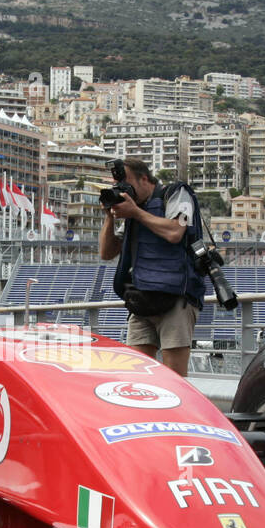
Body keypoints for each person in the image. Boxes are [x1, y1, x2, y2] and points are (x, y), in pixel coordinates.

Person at [100, 157, 203, 377]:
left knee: (174, 379)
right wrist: (110, 215)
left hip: (176, 299)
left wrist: (135, 213)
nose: (124, 191)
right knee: (137, 376)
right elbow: (106, 253)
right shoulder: (133, 212)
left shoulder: (175, 194)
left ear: (144, 178)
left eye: (127, 184)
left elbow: (176, 232)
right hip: (140, 299)